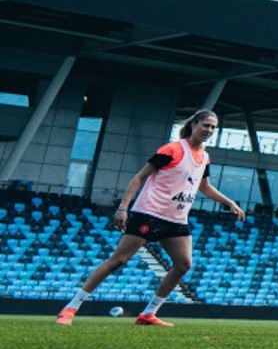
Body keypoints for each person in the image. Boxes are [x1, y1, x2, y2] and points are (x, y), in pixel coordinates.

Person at [55, 109, 244, 326]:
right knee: (118, 261)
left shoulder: (205, 157)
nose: (209, 130)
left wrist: (229, 203)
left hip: (176, 220)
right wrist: (123, 207)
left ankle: (148, 314)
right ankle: (70, 308)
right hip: (149, 214)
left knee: (183, 264)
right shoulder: (172, 149)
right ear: (194, 125)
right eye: (206, 125)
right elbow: (140, 177)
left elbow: (205, 187)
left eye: (213, 127)